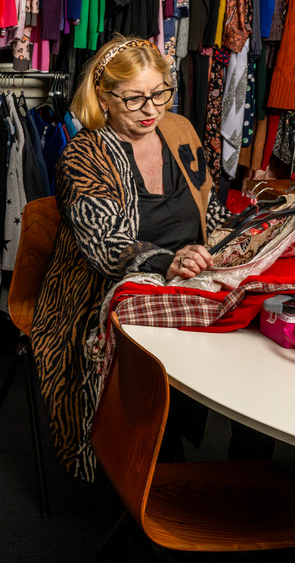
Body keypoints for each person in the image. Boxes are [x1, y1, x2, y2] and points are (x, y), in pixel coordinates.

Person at [30, 35, 229, 482]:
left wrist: (238, 245)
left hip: (189, 276)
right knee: (166, 348)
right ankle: (152, 471)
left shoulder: (179, 132)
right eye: (135, 98)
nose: (151, 110)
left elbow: (212, 211)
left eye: (160, 93)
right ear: (103, 96)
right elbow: (107, 247)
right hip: (104, 287)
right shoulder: (83, 154)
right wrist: (169, 263)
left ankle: (242, 476)